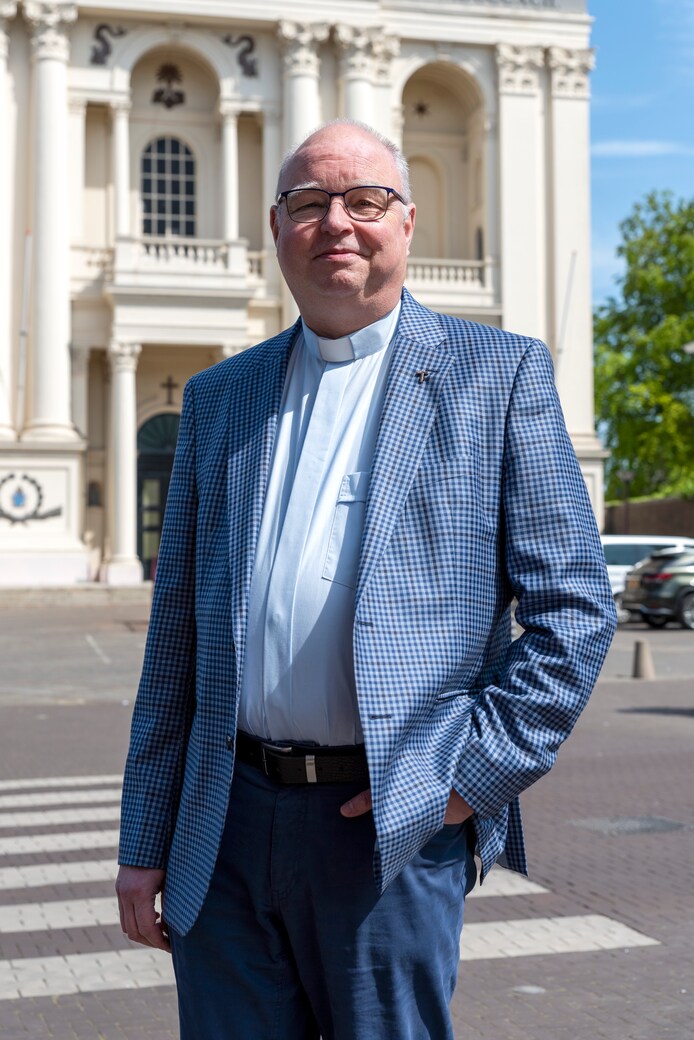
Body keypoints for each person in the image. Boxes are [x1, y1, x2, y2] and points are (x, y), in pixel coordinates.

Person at [116, 119, 617, 1039]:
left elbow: (575, 610)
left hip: (388, 822)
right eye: (309, 203)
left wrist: (463, 781)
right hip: (223, 822)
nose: (337, 222)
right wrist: (144, 839)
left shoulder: (498, 375)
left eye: (366, 200)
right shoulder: (219, 397)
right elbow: (176, 636)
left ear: (407, 221)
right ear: (278, 229)